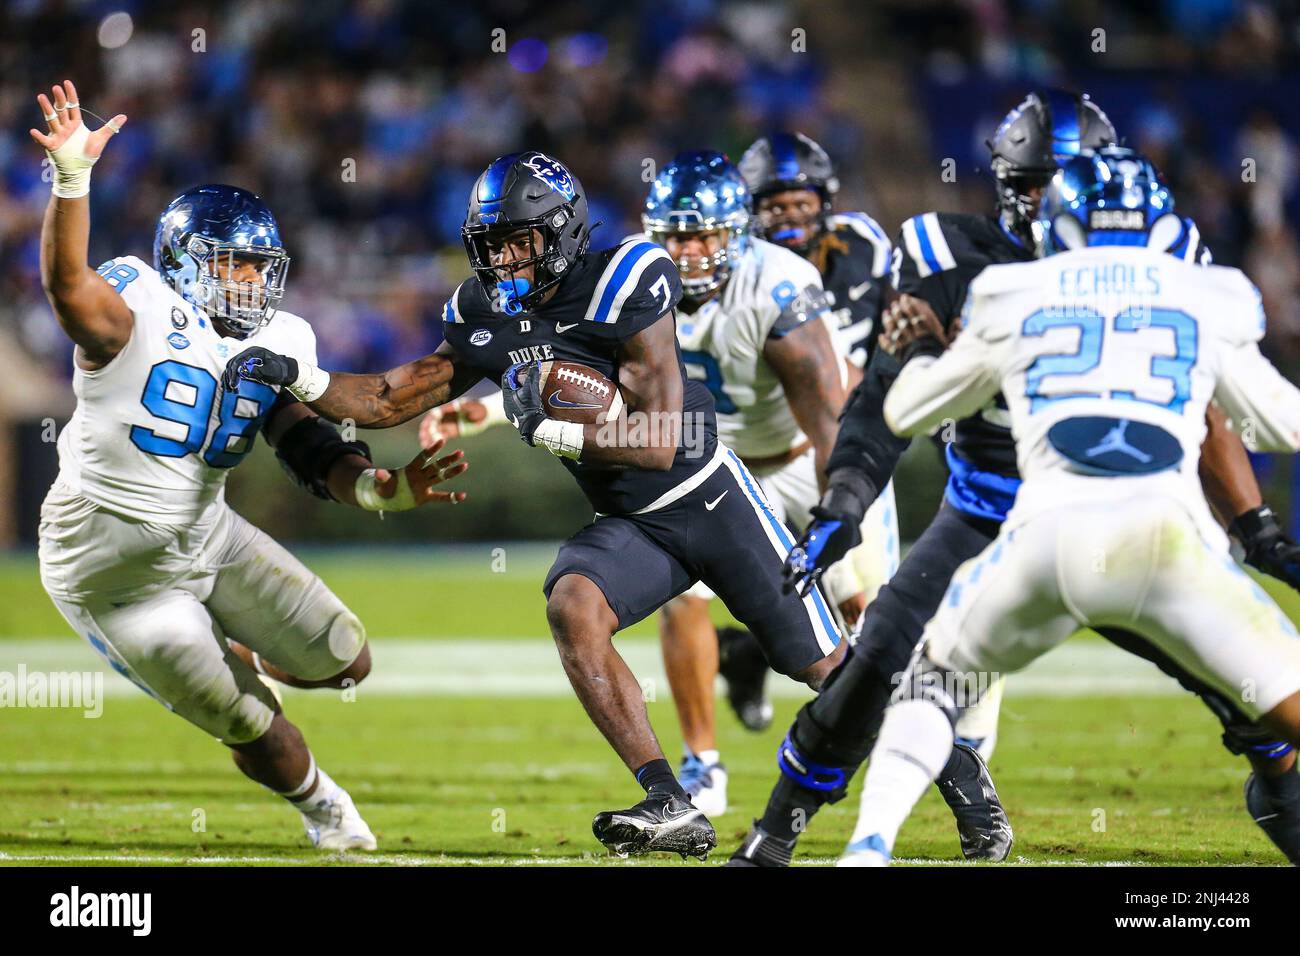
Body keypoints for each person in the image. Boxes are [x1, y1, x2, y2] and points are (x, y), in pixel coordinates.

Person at [731, 90, 1300, 867]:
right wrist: (846, 501)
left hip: (1122, 510)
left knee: (1252, 698)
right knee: (874, 669)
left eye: (1069, 179)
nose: (1055, 198)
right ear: (1005, 183)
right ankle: (776, 834)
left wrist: (1253, 524)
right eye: (1036, 182)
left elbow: (1208, 411)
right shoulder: (962, 257)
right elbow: (884, 403)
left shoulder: (1145, 265)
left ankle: (1281, 791)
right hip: (990, 509)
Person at [224, 150, 847, 858]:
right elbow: (391, 397)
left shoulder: (628, 277)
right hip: (633, 523)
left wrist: (549, 426)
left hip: (707, 499)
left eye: (520, 241)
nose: (506, 260)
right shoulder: (484, 309)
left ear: (564, 232)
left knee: (828, 674)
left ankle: (953, 770)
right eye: (491, 246)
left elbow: (661, 441)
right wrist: (300, 376)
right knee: (573, 606)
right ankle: (668, 800)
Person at [31, 80, 468, 852]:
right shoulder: (135, 302)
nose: (248, 282)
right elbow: (68, 286)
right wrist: (72, 178)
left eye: (258, 266)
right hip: (109, 564)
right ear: (182, 262)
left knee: (347, 660)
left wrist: (383, 490)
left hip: (206, 533)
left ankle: (239, 638)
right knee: (256, 727)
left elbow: (312, 434)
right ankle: (324, 807)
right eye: (230, 265)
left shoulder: (281, 336)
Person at [641, 150, 850, 816]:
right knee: (683, 602)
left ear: (737, 231)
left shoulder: (779, 283)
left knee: (862, 619)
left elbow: (828, 420)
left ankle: (937, 759)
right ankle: (702, 763)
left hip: (795, 457)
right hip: (712, 466)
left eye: (705, 233)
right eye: (677, 233)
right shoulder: (635, 285)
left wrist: (839, 506)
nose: (691, 248)